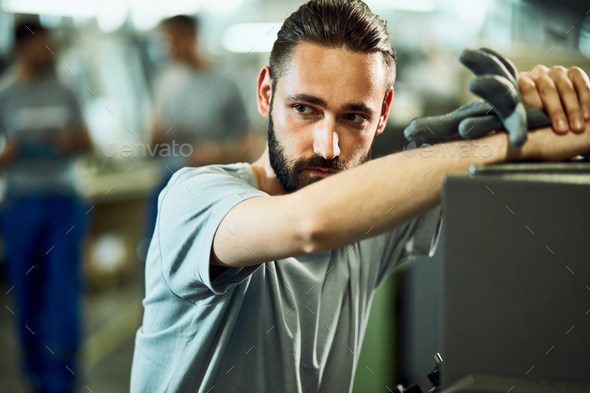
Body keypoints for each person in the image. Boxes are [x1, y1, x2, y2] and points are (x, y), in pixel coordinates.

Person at [130, 1, 590, 392]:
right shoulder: (194, 199)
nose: (327, 147)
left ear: (384, 111)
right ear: (267, 93)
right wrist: (497, 145)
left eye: (354, 117)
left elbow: (534, 203)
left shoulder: (369, 215)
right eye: (305, 108)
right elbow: (308, 224)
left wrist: (561, 118)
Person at [0, 21, 92, 393]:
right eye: (42, 46)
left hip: (63, 203)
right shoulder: (5, 93)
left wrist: (68, 140)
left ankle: (63, 377)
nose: (49, 52)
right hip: (21, 204)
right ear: (24, 48)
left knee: (62, 289)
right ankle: (35, 371)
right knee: (26, 289)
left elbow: (87, 140)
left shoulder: (65, 89)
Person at [145, 14, 261, 241]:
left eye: (171, 39)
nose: (165, 48)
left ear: (191, 37)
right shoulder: (165, 82)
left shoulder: (225, 84)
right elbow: (153, 146)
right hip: (169, 182)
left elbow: (250, 143)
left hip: (212, 185)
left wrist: (215, 153)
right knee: (159, 253)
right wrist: (163, 134)